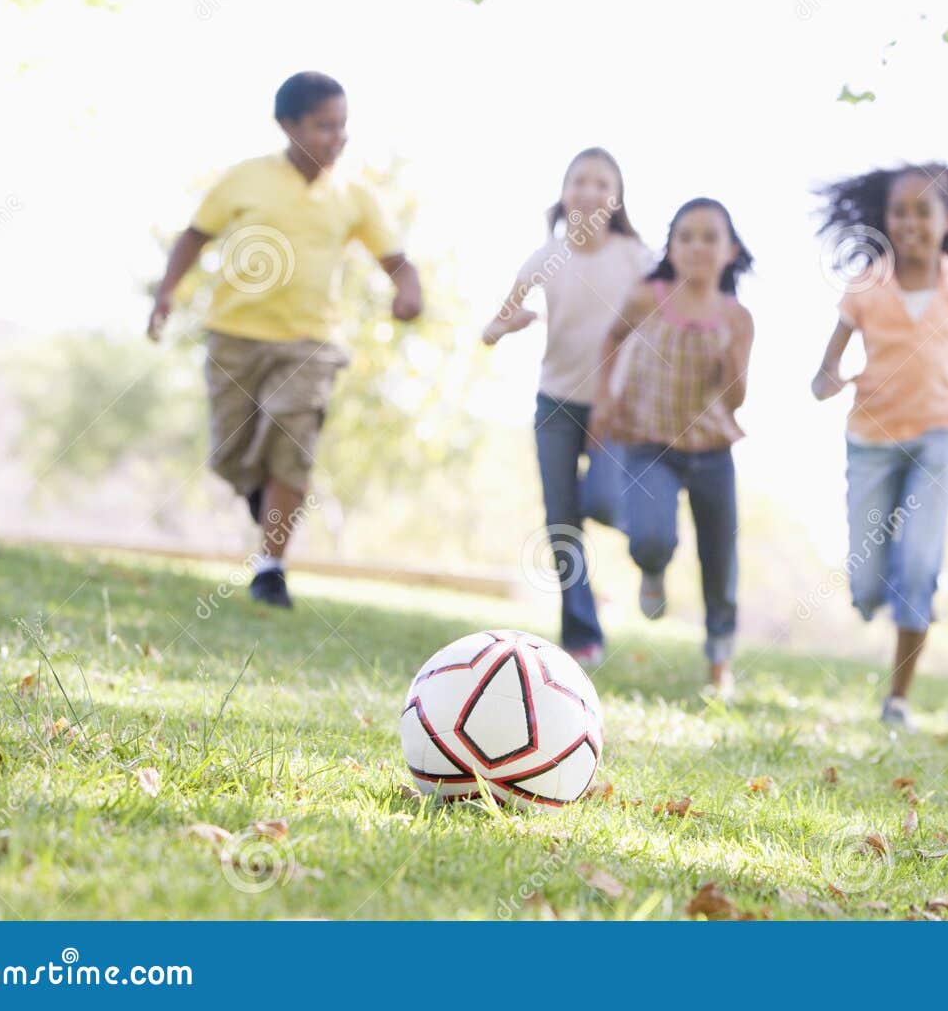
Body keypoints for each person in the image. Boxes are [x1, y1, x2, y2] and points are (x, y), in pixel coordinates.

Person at [147, 70, 422, 609]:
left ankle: (271, 567)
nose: (336, 139)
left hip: (311, 342)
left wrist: (408, 292)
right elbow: (195, 236)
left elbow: (396, 259)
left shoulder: (354, 194)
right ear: (287, 125)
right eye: (323, 127)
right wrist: (166, 293)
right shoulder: (245, 178)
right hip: (235, 336)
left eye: (342, 127)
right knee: (229, 455)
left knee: (291, 443)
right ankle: (261, 492)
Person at [810, 163, 948, 732]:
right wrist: (828, 381)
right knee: (869, 586)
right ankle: (881, 596)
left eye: (923, 211)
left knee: (918, 568)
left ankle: (898, 698)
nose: (909, 222)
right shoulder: (867, 285)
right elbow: (824, 370)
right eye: (899, 211)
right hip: (870, 444)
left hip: (933, 444)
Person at [482, 147, 652, 668]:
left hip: (614, 409)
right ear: (564, 192)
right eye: (579, 180)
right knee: (562, 522)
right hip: (555, 403)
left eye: (602, 183)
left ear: (616, 198)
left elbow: (661, 321)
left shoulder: (635, 258)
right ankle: (582, 634)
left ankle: (652, 545)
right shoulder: (548, 255)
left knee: (602, 502)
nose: (589, 190)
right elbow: (491, 328)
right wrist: (509, 324)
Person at [590, 198, 754, 696]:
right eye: (685, 236)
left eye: (709, 237)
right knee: (651, 537)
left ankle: (719, 666)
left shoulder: (737, 317)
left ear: (730, 251)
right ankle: (654, 570)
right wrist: (604, 400)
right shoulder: (648, 296)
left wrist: (729, 360)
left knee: (719, 556)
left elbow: (738, 396)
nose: (697, 246)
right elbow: (613, 337)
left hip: (710, 449)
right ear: (671, 247)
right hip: (649, 442)